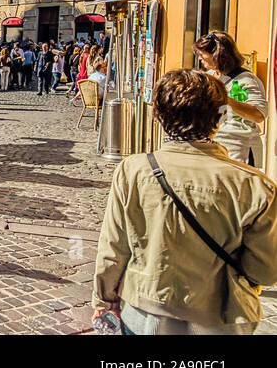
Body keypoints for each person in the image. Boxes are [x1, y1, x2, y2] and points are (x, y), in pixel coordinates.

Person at [92, 68, 277, 335]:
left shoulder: (133, 170)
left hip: (145, 311)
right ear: (220, 118)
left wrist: (104, 301)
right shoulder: (256, 186)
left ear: (159, 117)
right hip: (222, 316)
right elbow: (265, 271)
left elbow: (114, 248)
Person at [195, 31, 267, 169]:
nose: (199, 59)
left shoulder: (246, 80)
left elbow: (259, 115)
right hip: (215, 147)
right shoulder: (210, 76)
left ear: (217, 54)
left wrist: (225, 99)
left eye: (202, 54)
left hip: (239, 150)